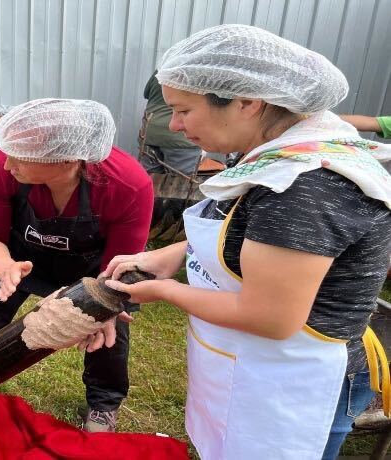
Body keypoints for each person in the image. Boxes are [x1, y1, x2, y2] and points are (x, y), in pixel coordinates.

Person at [100, 25, 391, 460]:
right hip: (253, 365)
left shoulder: (303, 186)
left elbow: (271, 318)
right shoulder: (275, 150)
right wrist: (173, 253)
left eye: (183, 110)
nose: (175, 125)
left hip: (294, 379)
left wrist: (164, 289)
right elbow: (256, 238)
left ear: (248, 103)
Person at [0, 98, 154, 433]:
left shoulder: (129, 185)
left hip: (96, 268)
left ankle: (103, 404)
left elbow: (122, 265)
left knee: (109, 332)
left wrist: (103, 306)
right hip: (22, 258)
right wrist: (4, 267)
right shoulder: (3, 161)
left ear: (68, 159)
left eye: (19, 157)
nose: (7, 165)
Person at [139, 70, 203, 174]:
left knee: (149, 178)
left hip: (150, 132)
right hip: (179, 137)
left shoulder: (163, 68)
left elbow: (146, 93)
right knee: (180, 181)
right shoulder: (197, 71)